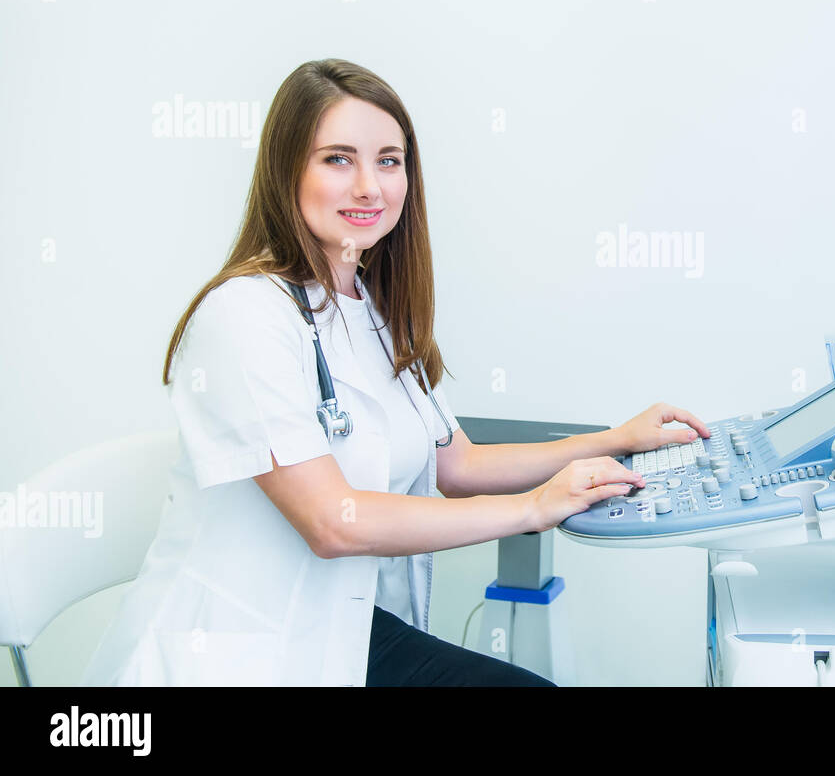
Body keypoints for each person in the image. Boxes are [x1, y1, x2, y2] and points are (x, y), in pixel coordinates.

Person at [81, 59, 711, 686]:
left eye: (388, 160)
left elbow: (457, 466)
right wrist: (532, 508)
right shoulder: (243, 316)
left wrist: (616, 440)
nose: (369, 187)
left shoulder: (377, 310)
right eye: (337, 159)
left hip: (346, 631)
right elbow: (331, 521)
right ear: (286, 171)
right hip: (241, 651)